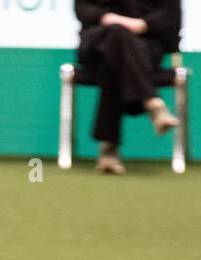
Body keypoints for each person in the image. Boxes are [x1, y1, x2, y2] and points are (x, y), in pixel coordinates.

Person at [75, 1, 183, 174]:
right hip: (98, 40)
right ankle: (152, 102)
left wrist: (142, 25)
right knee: (115, 35)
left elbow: (170, 16)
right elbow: (82, 7)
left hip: (145, 44)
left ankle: (108, 148)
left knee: (115, 55)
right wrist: (106, 17)